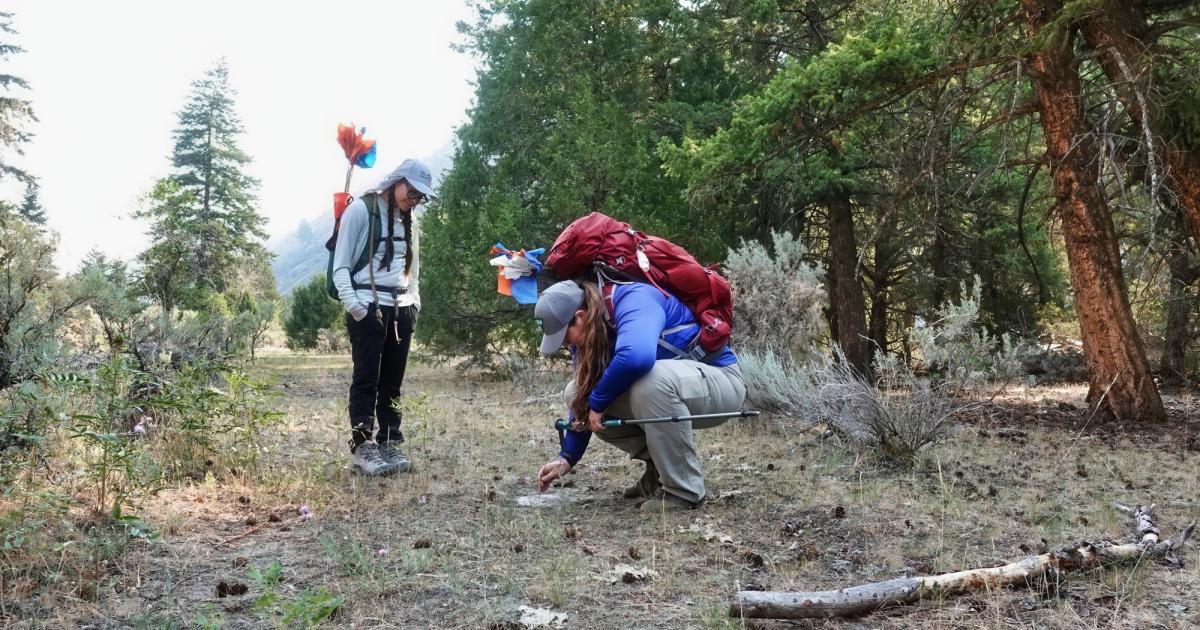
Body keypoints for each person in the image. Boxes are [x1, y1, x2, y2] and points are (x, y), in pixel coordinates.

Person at [533, 278, 746, 511]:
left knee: (650, 382)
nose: (565, 344)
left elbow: (637, 357)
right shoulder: (590, 333)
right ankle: (659, 471)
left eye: (564, 336)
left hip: (721, 381)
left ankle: (683, 490)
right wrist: (567, 457)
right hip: (677, 386)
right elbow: (583, 396)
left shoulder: (633, 299)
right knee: (574, 391)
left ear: (581, 316)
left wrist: (598, 402)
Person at [331, 159, 435, 476]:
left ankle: (390, 442)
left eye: (420, 196)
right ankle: (363, 447)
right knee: (366, 380)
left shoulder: (411, 220)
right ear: (396, 181)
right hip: (368, 306)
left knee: (392, 383)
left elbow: (413, 271)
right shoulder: (361, 211)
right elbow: (340, 266)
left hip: (402, 310)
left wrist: (414, 303)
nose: (414, 200)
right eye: (412, 192)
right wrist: (356, 308)